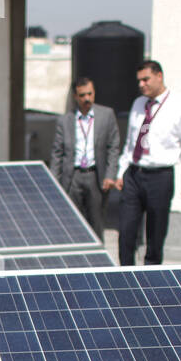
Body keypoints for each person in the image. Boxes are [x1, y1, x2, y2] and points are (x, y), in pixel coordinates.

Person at [116, 60, 181, 265]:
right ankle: (125, 278)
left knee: (155, 236)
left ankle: (150, 281)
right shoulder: (138, 104)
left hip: (160, 177)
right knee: (126, 233)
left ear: (159, 76)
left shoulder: (179, 105)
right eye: (139, 81)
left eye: (146, 79)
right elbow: (130, 142)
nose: (141, 84)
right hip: (134, 175)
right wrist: (121, 171)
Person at [49, 77, 120, 241]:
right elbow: (57, 153)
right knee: (73, 223)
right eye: (82, 95)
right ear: (75, 97)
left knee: (96, 223)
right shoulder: (65, 121)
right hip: (72, 177)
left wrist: (110, 175)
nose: (87, 99)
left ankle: (97, 262)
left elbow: (113, 147)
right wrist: (54, 181)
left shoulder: (106, 115)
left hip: (96, 176)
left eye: (90, 94)